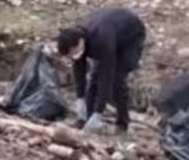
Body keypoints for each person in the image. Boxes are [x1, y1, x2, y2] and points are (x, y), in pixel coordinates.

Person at [55, 8, 146, 136]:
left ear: (81, 42)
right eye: (71, 55)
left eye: (75, 52)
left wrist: (99, 112)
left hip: (130, 39)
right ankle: (86, 118)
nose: (74, 56)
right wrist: (80, 98)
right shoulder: (75, 37)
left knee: (116, 80)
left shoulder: (102, 38)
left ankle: (122, 124)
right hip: (111, 33)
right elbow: (79, 69)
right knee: (93, 79)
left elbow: (106, 76)